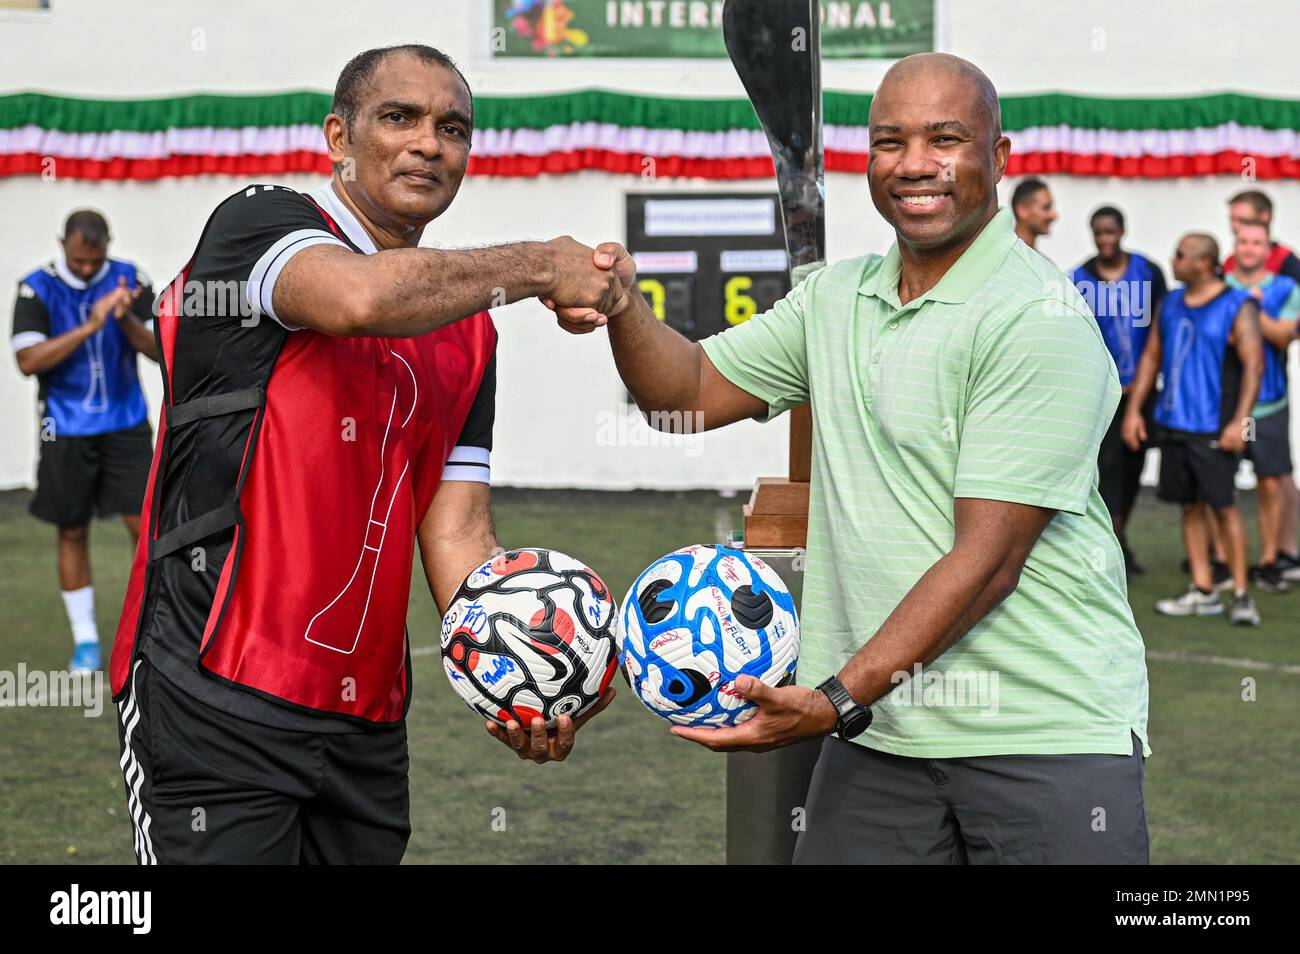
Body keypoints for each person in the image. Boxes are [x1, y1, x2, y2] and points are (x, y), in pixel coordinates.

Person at [557, 53, 1151, 864]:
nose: (914, 165)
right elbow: (685, 393)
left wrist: (835, 700)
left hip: (1041, 735)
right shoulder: (836, 299)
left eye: (945, 139)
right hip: (882, 738)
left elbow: (987, 560)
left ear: (1000, 156)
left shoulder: (1035, 319)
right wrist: (623, 305)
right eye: (888, 141)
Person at [109, 44, 624, 865]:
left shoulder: (469, 329)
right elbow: (357, 299)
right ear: (338, 137)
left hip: (366, 721)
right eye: (400, 118)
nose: (429, 143)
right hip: (211, 690)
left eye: (452, 128)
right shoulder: (260, 223)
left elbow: (457, 531)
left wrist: (523, 673)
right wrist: (543, 266)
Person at [11, 210, 158, 673]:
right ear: (64, 246)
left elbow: (160, 351)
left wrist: (126, 320)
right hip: (65, 428)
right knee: (72, 529)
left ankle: (151, 635)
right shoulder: (35, 286)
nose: (88, 269)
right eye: (79, 261)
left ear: (107, 247)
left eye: (95, 261)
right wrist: (92, 325)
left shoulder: (130, 278)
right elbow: (29, 360)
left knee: (146, 531)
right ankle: (87, 640)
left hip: (126, 424)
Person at [1123, 234, 1263, 625]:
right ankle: (1203, 589)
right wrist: (1135, 412)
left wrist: (1240, 422)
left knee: (1224, 507)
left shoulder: (1237, 305)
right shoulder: (1170, 303)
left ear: (1203, 262)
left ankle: (1240, 592)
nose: (1173, 259)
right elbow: (1151, 357)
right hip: (1174, 423)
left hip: (1215, 427)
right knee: (1188, 505)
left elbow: (1255, 367)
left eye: (1180, 254)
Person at [1070, 205, 1167, 574]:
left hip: (1141, 392)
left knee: (1133, 470)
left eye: (1110, 232)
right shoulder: (1079, 278)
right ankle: (1103, 547)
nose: (1105, 240)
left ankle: (1120, 538)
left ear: (1122, 231)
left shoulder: (1148, 271)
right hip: (1100, 396)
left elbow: (1160, 330)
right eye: (1099, 233)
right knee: (1103, 471)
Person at [1225, 221, 1300, 590]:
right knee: (1221, 487)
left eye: (1257, 242)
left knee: (1270, 483)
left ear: (1268, 249)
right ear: (1235, 244)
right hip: (1228, 404)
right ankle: (1223, 561)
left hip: (1268, 403)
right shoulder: (1220, 285)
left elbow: (1284, 336)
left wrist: (1249, 307)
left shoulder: (1286, 287)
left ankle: (1269, 560)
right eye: (1243, 241)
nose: (1249, 248)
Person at [1223, 189, 1300, 283]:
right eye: (1232, 219)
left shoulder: (1286, 261)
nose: (1234, 226)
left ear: (1265, 217)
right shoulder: (1229, 262)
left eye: (1242, 220)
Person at [1010, 177, 1056, 253]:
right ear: (1022, 210)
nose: (1053, 215)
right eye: (1046, 207)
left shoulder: (1041, 262)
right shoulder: (1006, 257)